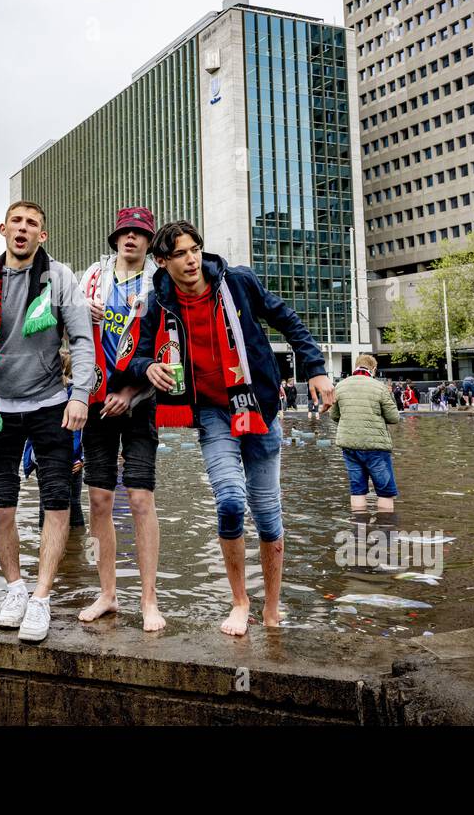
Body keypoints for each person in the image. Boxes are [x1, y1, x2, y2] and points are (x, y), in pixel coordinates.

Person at [123, 220, 333, 637]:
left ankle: (271, 610)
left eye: (195, 249)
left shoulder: (237, 282)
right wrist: (150, 367)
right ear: (162, 262)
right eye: (180, 254)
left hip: (260, 407)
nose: (191, 259)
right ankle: (241, 601)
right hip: (212, 413)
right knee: (230, 502)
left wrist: (317, 370)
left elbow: (288, 320)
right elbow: (135, 356)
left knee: (269, 516)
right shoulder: (156, 303)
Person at [0, 199, 93, 643]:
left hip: (52, 403)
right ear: (2, 229)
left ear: (43, 235)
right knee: (1, 504)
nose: (23, 228)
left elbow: (81, 338)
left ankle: (41, 597)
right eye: (16, 221)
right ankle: (15, 587)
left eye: (32, 223)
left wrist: (80, 396)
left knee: (58, 500)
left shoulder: (60, 278)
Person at [75, 206, 164, 632]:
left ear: (149, 241)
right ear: (115, 239)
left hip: (140, 401)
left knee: (141, 499)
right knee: (98, 500)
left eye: (139, 233)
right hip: (95, 400)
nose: (131, 238)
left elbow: (166, 347)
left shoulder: (158, 285)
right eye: (125, 232)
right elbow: (63, 330)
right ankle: (107, 593)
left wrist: (130, 394)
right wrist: (80, 313)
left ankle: (149, 599)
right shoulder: (92, 276)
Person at [330, 354, 402, 550]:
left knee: (357, 488)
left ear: (356, 366)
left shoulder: (341, 386)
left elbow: (334, 415)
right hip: (375, 446)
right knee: (385, 491)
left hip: (350, 445)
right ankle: (385, 534)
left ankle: (358, 532)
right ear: (373, 369)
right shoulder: (378, 387)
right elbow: (394, 417)